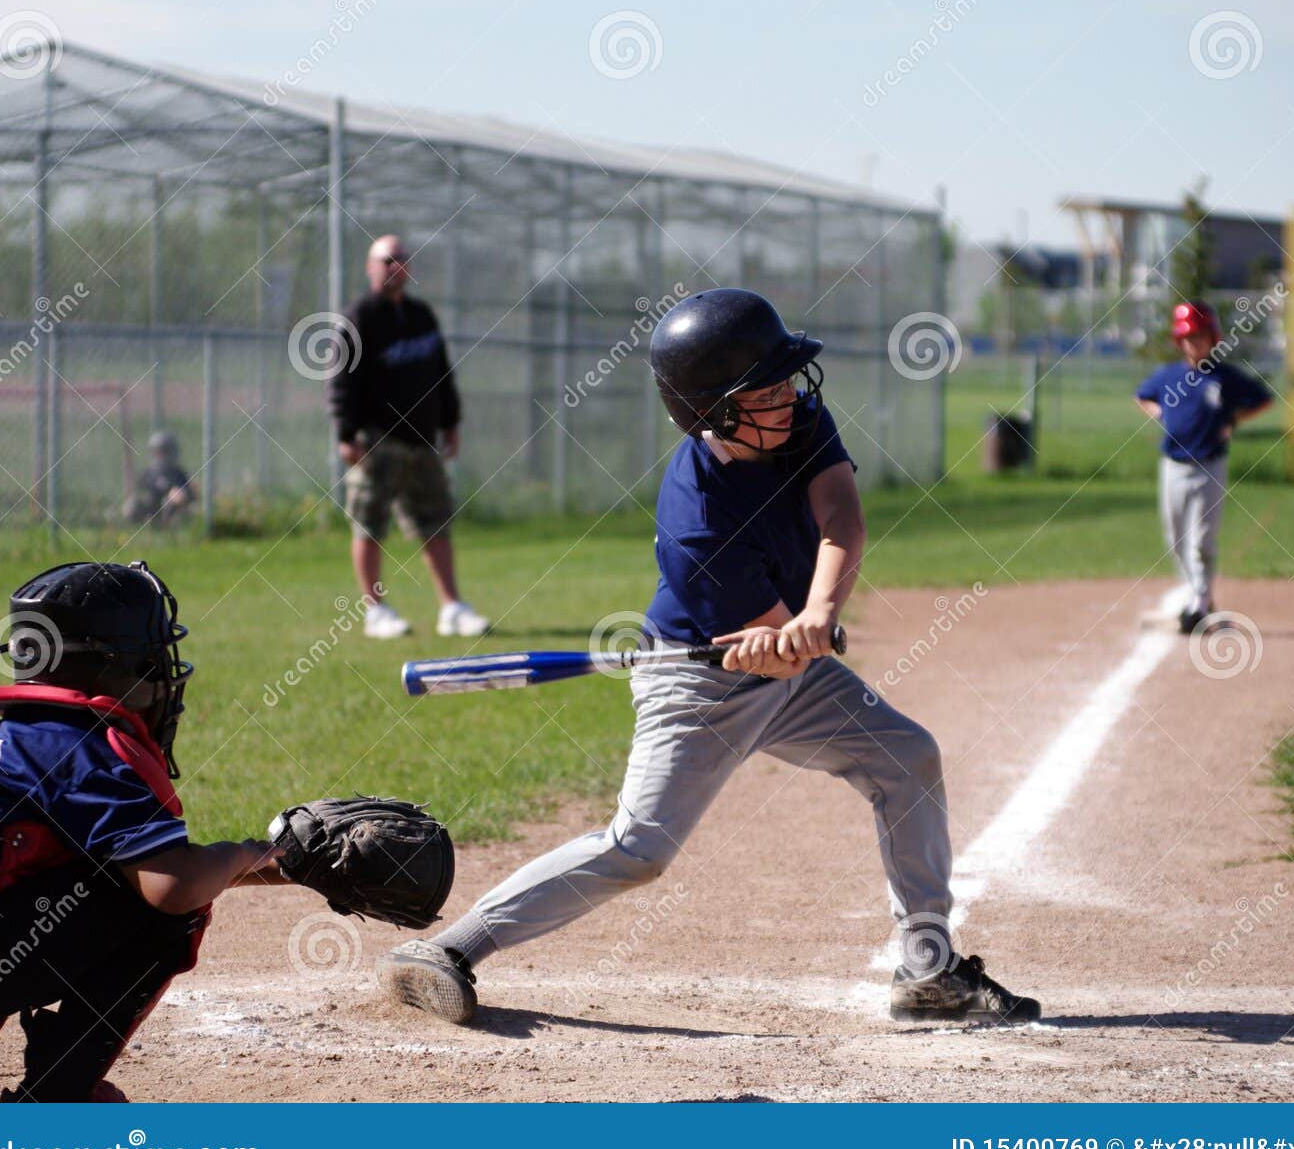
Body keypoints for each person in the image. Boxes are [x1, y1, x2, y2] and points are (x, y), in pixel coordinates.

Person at [378, 287, 1039, 1026]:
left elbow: (840, 516)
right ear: (715, 412)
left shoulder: (796, 421)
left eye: (785, 380)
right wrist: (789, 640)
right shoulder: (696, 521)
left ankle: (927, 970)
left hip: (786, 665)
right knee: (639, 849)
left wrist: (817, 615)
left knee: (906, 758)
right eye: (766, 391)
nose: (789, 396)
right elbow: (778, 657)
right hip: (698, 687)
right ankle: (448, 950)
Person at [0, 561, 287, 1102]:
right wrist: (243, 851)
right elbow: (171, 885)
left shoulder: (13, 739)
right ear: (117, 669)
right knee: (168, 910)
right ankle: (57, 1098)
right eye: (151, 662)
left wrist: (292, 864)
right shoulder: (80, 748)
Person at [329, 234, 489, 640]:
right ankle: (375, 611)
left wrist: (451, 423)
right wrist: (346, 433)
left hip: (422, 439)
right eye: (387, 260)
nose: (394, 266)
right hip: (377, 441)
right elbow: (342, 381)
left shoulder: (421, 315)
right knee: (369, 524)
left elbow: (442, 373)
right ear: (370, 267)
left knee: (436, 522)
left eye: (401, 259)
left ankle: (452, 608)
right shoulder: (359, 317)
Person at [1134, 301, 1274, 633]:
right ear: (1179, 342)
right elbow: (1142, 395)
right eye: (1188, 338)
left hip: (1209, 466)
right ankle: (1197, 594)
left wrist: (1234, 421)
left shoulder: (1224, 377)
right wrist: (1158, 413)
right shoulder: (1169, 376)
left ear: (1213, 339)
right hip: (1173, 466)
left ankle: (1198, 605)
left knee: (1202, 540)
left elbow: (1264, 398)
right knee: (1175, 538)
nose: (1194, 343)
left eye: (1200, 337)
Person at [122, 429, 197, 527]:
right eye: (157, 453)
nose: (160, 456)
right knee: (131, 505)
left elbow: (190, 495)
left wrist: (180, 494)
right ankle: (141, 527)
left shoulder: (178, 473)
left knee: (169, 502)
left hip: (168, 509)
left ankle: (168, 527)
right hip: (152, 508)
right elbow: (140, 490)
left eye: (163, 453)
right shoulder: (148, 473)